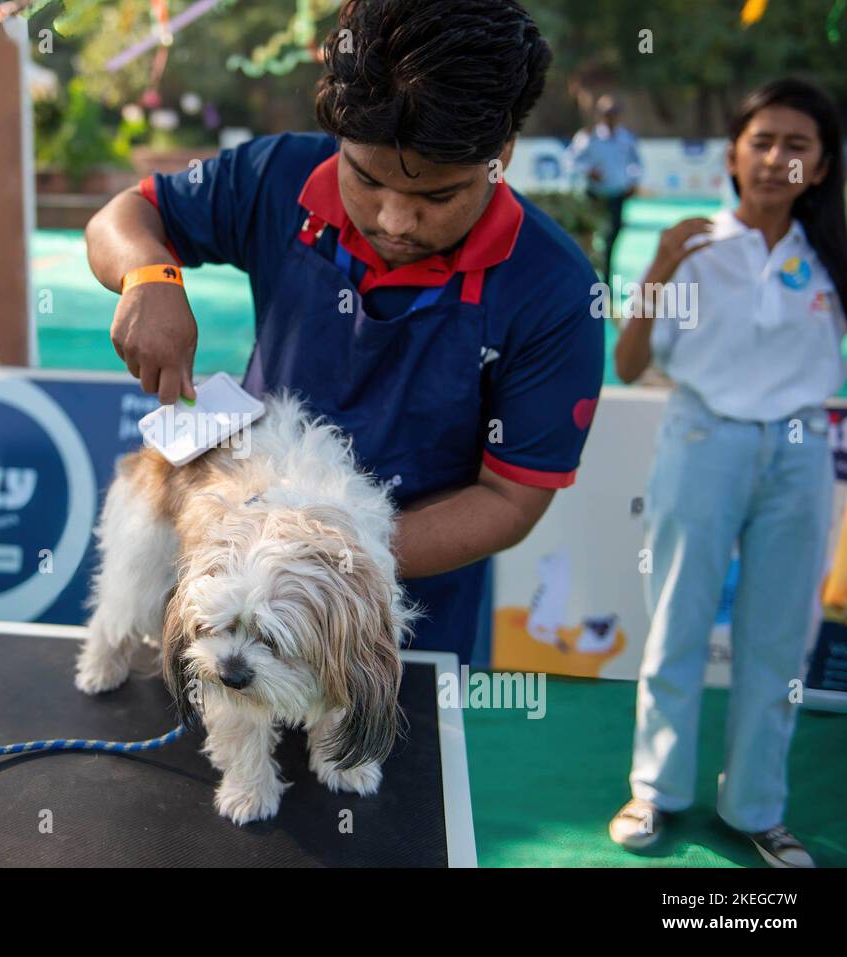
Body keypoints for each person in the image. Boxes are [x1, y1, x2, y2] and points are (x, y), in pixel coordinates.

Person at [84, 0, 605, 660]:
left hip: (403, 626)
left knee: (382, 756)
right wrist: (148, 277)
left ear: (501, 152)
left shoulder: (554, 290)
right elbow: (123, 217)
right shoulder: (277, 176)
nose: (394, 220)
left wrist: (335, 557)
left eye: (436, 197)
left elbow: (510, 500)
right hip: (240, 597)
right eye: (365, 178)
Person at [611, 78, 847, 868]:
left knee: (779, 641)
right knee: (678, 619)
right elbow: (631, 361)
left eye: (799, 145)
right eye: (763, 140)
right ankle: (655, 790)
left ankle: (757, 807)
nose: (779, 157)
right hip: (703, 438)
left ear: (820, 167)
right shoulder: (693, 244)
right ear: (733, 154)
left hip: (801, 454)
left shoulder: (831, 257)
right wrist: (658, 268)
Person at [567, 94, 642, 281]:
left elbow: (637, 163)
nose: (610, 117)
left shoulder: (627, 138)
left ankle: (606, 284)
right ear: (599, 115)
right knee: (587, 240)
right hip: (593, 196)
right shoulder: (588, 137)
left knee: (612, 240)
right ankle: (585, 279)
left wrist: (633, 182)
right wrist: (588, 171)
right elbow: (570, 161)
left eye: (614, 112)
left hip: (617, 196)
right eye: (606, 113)